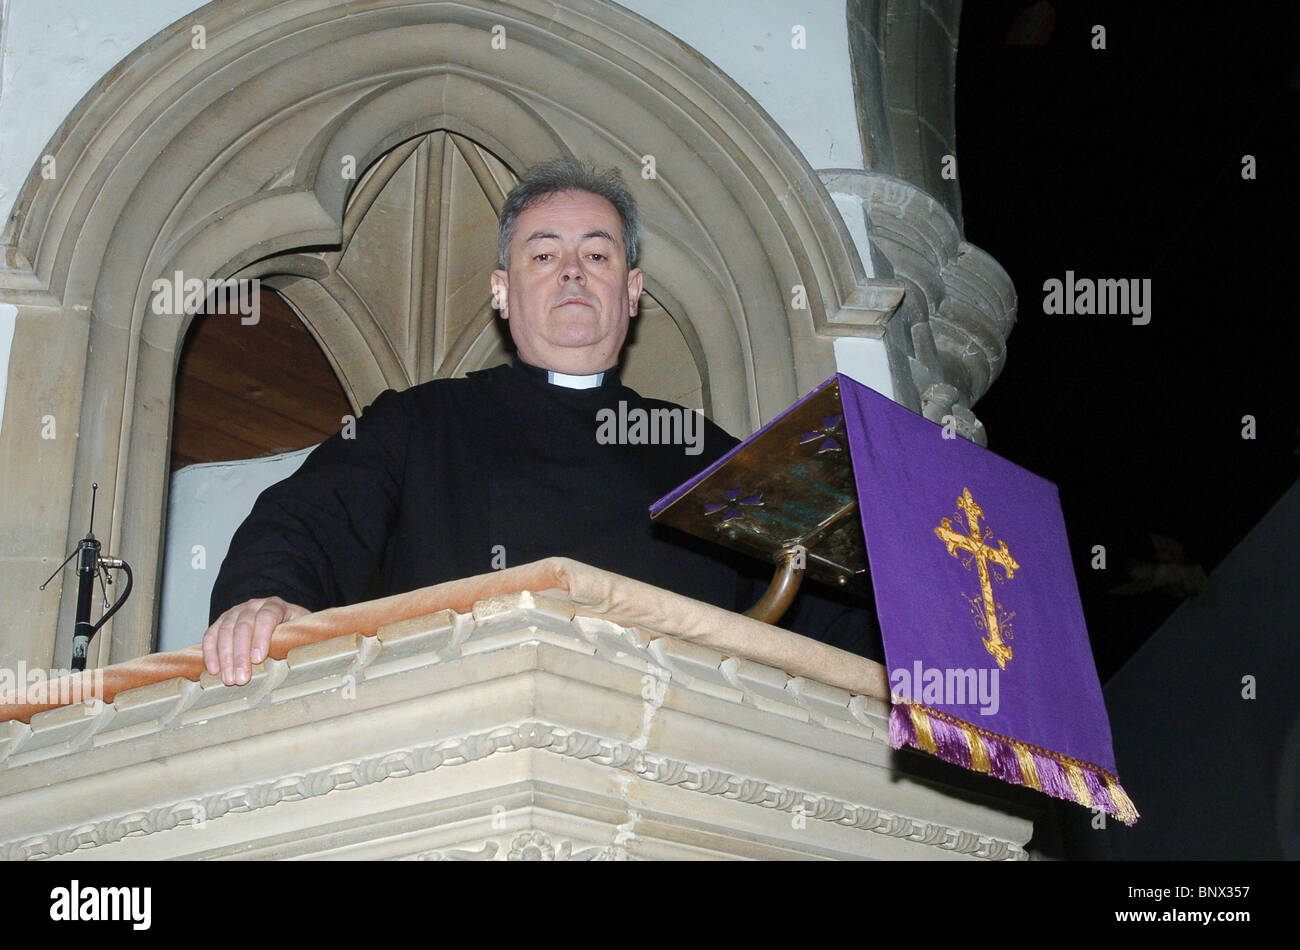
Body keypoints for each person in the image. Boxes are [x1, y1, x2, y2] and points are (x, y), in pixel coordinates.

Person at [204, 159, 880, 686]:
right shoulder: (419, 424)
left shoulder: (708, 455)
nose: (573, 274)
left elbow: (826, 607)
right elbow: (304, 523)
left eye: (597, 254)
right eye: (543, 253)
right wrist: (266, 598)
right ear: (502, 290)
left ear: (632, 291)